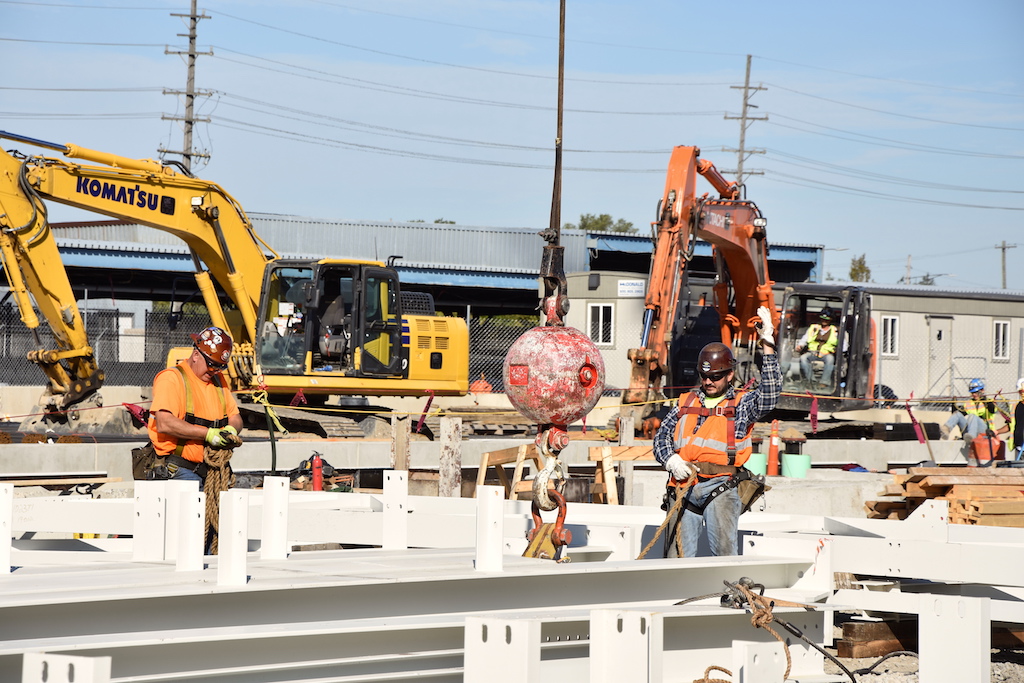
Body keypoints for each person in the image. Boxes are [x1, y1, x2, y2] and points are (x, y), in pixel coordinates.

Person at [653, 306, 780, 558]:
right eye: (704, 376)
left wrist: (767, 345)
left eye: (715, 376)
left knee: (724, 554)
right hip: (683, 486)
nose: (709, 381)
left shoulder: (741, 405)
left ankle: (726, 586)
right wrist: (671, 460)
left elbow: (770, 395)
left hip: (721, 485)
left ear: (730, 374)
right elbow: (661, 438)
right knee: (676, 558)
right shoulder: (685, 402)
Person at [147, 326, 243, 482]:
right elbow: (164, 423)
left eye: (220, 367)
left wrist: (231, 429)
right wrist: (208, 434)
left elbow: (236, 418)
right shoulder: (171, 379)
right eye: (212, 364)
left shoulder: (218, 380)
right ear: (196, 355)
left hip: (209, 469)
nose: (215, 371)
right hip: (178, 468)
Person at [942, 378, 1001, 452]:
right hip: (970, 431)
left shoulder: (989, 402)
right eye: (972, 393)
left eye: (976, 392)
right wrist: (954, 406)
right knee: (957, 414)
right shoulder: (969, 403)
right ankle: (946, 430)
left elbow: (992, 409)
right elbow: (959, 416)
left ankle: (971, 437)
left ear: (982, 390)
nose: (974, 394)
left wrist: (984, 399)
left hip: (984, 432)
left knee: (972, 416)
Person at [796, 307, 838, 389]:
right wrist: (800, 345)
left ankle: (824, 382)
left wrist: (842, 350)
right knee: (803, 358)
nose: (824, 321)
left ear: (831, 319)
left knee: (830, 359)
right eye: (822, 318)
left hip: (826, 354)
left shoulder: (835, 330)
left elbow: (843, 344)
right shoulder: (813, 328)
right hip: (812, 352)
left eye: (826, 319)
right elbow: (805, 338)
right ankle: (812, 380)